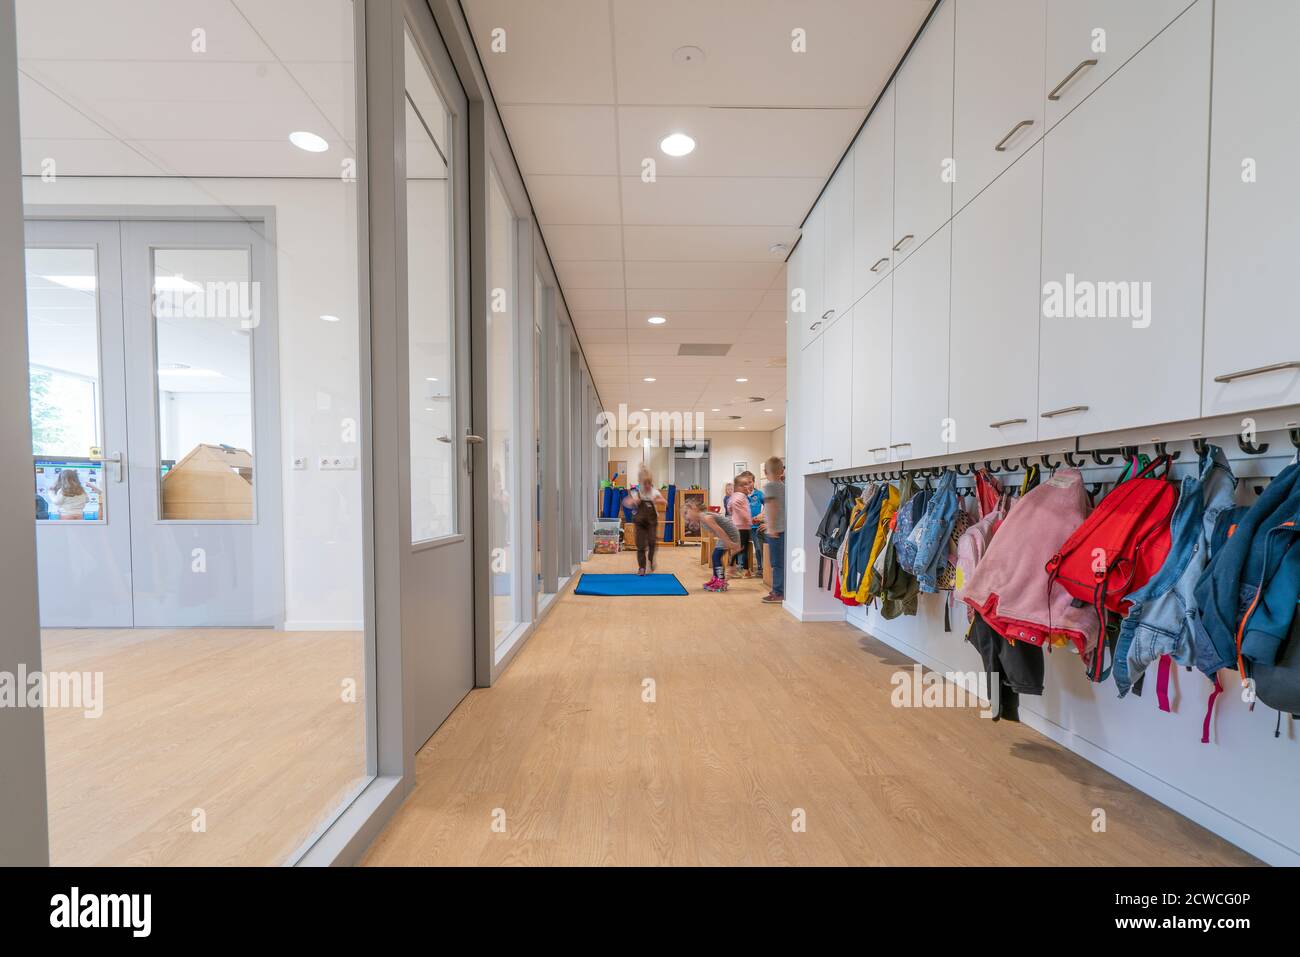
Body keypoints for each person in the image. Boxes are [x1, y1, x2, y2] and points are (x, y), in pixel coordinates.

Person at [684, 499, 740, 592]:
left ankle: (720, 581)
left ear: (695, 509)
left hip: (729, 535)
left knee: (716, 556)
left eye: (687, 512)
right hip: (725, 536)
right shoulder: (701, 519)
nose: (686, 516)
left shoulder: (706, 517)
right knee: (715, 556)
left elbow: (719, 530)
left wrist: (729, 543)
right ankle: (716, 578)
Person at [623, 465, 665, 576]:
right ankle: (642, 567)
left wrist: (659, 500)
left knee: (652, 541)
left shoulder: (654, 492)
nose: (647, 486)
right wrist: (633, 502)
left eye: (649, 484)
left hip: (652, 522)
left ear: (651, 483)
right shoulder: (637, 492)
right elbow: (626, 502)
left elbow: (665, 501)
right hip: (640, 522)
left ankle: (651, 558)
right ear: (640, 483)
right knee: (640, 545)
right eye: (644, 484)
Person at [758, 456, 785, 604]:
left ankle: (778, 592)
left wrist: (772, 527)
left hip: (777, 530)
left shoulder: (769, 487)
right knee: (781, 561)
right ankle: (781, 589)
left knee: (776, 563)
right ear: (782, 471)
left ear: (765, 471)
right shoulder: (783, 486)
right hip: (784, 529)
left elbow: (771, 506)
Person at [728, 472, 755, 578]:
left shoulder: (735, 495)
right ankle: (732, 568)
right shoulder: (741, 496)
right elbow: (735, 505)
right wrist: (747, 519)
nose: (746, 487)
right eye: (743, 485)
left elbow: (730, 505)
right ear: (737, 487)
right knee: (742, 548)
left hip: (739, 525)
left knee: (742, 548)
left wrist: (732, 512)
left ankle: (743, 570)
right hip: (742, 526)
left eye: (747, 484)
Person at [748, 467, 766, 577]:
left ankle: (760, 567)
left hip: (756, 526)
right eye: (746, 482)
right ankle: (743, 567)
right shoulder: (742, 495)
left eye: (750, 482)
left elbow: (767, 505)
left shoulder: (759, 494)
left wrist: (761, 516)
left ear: (754, 482)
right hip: (744, 527)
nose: (749, 484)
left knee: (758, 547)